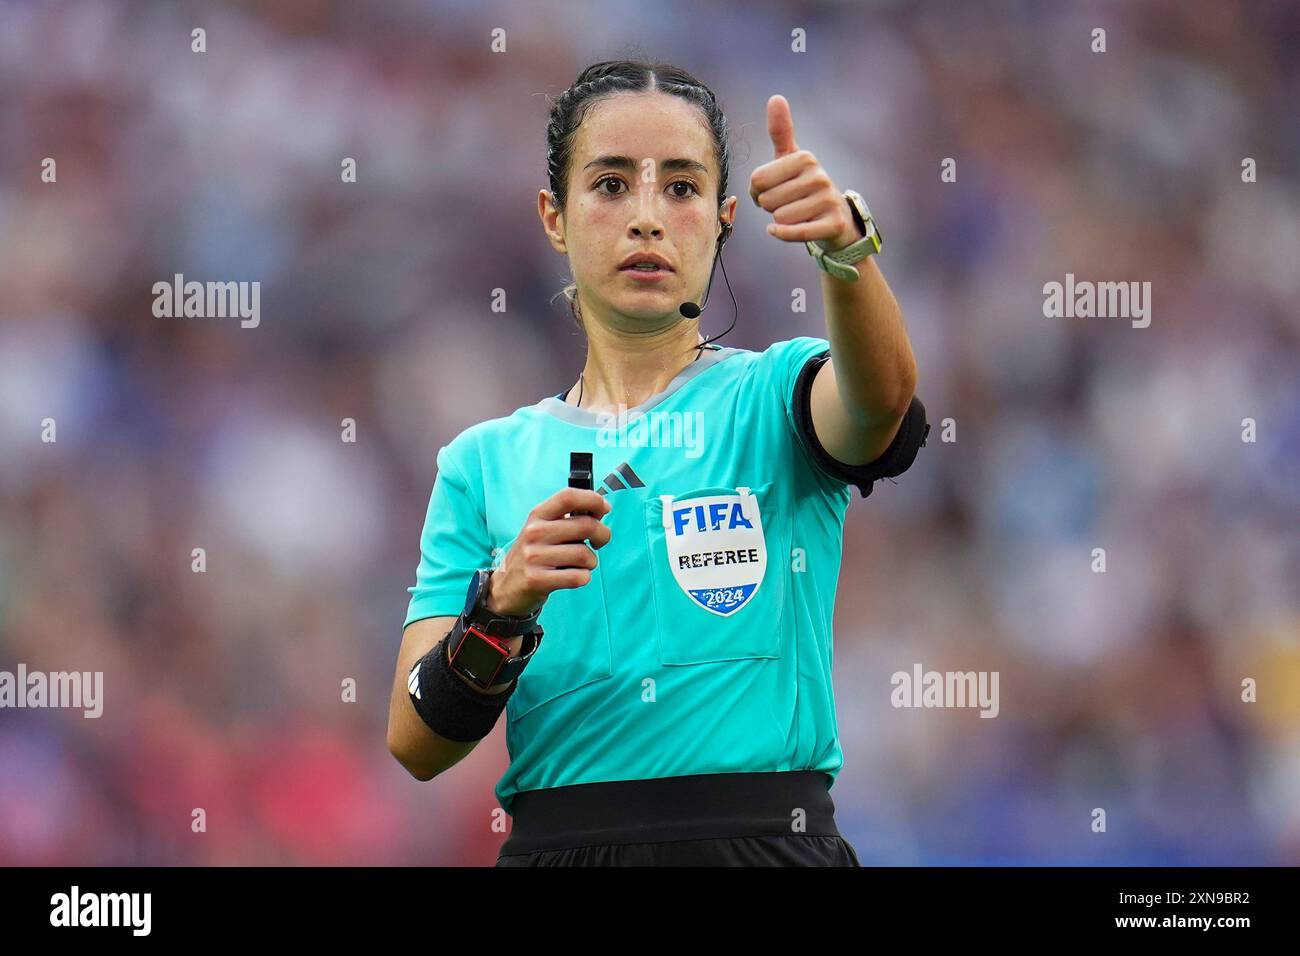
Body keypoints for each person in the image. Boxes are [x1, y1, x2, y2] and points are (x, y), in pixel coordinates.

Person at [387, 58, 928, 867]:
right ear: (554, 216)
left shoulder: (775, 397)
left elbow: (881, 403)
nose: (646, 216)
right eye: (609, 184)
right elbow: (416, 741)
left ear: (723, 218)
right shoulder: (483, 464)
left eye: (680, 187)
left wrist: (845, 253)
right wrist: (501, 605)